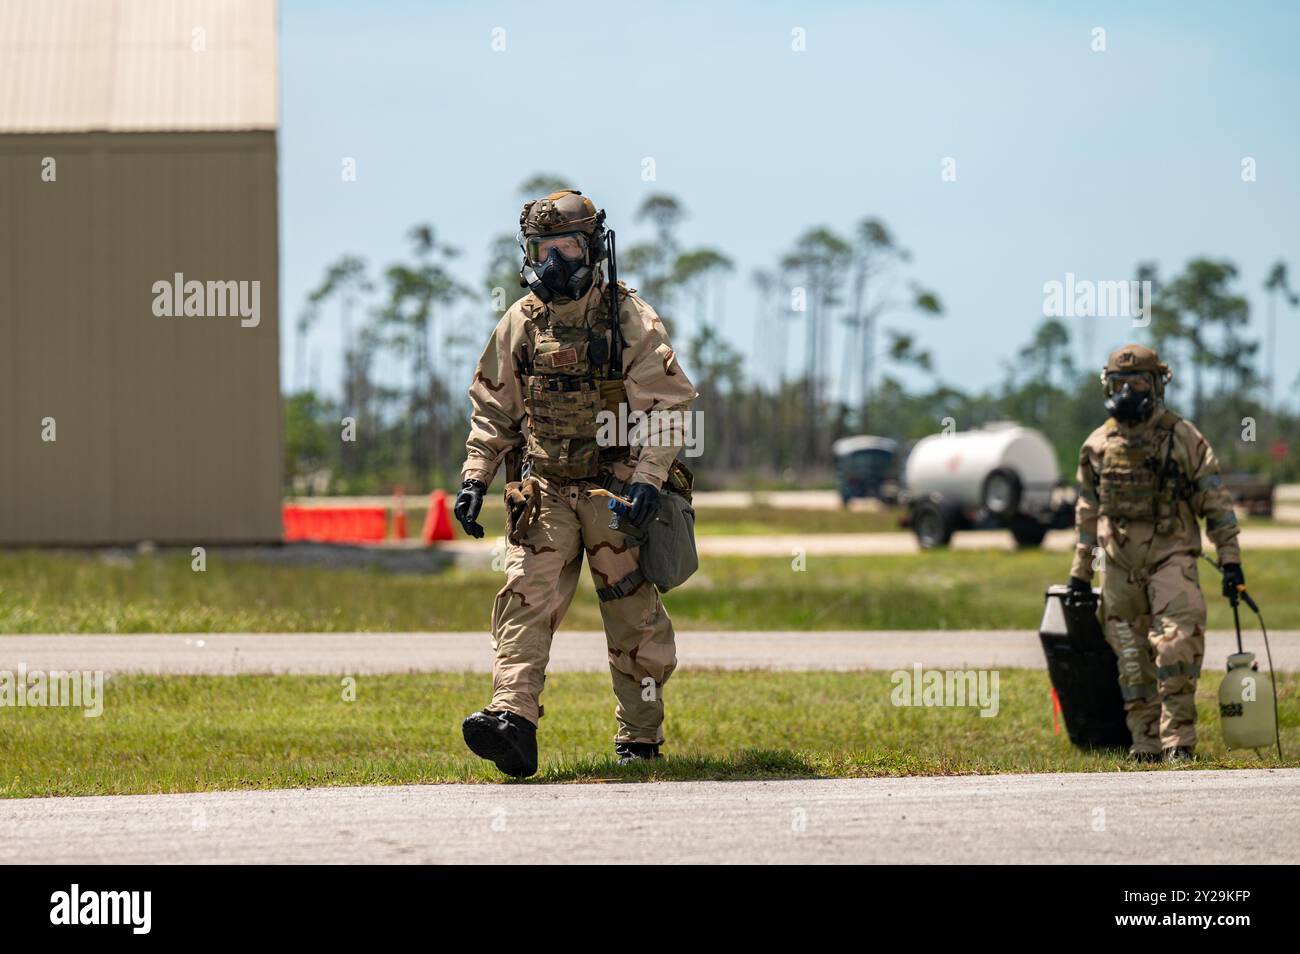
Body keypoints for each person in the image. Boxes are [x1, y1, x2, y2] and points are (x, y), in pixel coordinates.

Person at [453, 189, 697, 778]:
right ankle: (513, 720)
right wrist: (475, 476)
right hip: (545, 488)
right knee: (523, 599)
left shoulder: (627, 317)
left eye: (566, 246)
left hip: (615, 491)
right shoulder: (521, 320)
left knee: (633, 614)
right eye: (543, 248)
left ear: (592, 248)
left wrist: (648, 479)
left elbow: (669, 405)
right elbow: (494, 409)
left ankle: (640, 737)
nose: (554, 260)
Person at [1065, 344, 1244, 763]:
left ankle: (1178, 741)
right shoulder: (1097, 445)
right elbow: (1087, 512)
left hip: (1171, 556)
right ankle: (1144, 742)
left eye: (1138, 382)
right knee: (1130, 656)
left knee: (1175, 647)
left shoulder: (1184, 438)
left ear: (1157, 384)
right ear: (1106, 385)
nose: (1128, 391)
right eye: (1119, 383)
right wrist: (1079, 573)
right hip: (1118, 563)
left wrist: (1231, 561)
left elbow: (1216, 504)